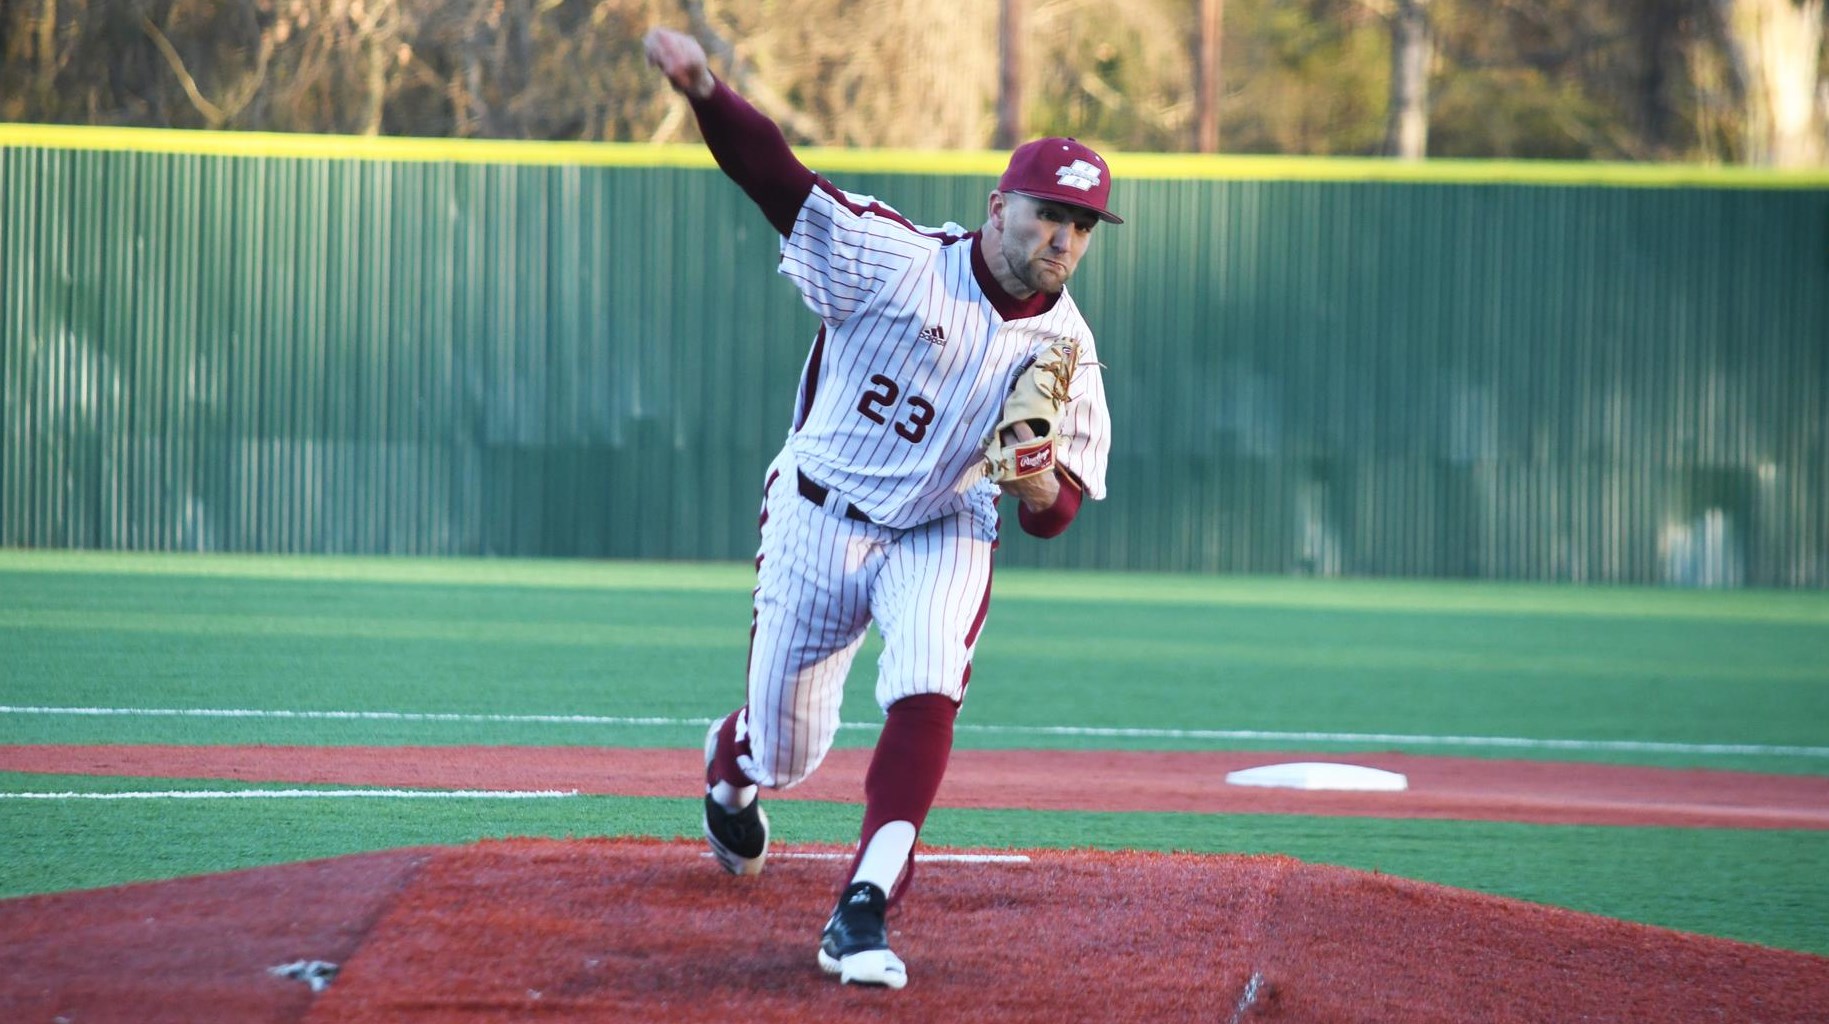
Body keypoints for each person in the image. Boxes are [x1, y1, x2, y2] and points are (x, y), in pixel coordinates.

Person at [645, 26, 1118, 991]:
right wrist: (704, 91)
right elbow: (777, 180)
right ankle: (732, 762)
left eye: (1082, 226)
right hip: (820, 512)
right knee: (787, 752)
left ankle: (863, 903)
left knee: (930, 680)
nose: (1063, 240)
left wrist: (1035, 482)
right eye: (1047, 215)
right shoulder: (894, 258)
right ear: (998, 208)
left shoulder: (1068, 352)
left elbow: (1054, 512)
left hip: (944, 525)